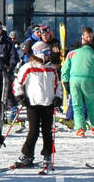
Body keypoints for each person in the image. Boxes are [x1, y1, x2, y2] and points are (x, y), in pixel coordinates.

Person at [10, 41, 61, 169]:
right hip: (33, 104)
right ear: (39, 53)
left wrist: (58, 98)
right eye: (46, 53)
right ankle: (27, 155)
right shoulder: (28, 67)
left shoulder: (51, 68)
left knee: (47, 132)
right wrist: (20, 96)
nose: (49, 55)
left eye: (49, 52)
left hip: (48, 104)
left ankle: (47, 154)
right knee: (33, 131)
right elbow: (17, 83)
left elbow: (57, 85)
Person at [61, 27, 94, 136]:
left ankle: (80, 129)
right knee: (90, 104)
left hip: (74, 80)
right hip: (88, 80)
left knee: (77, 105)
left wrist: (66, 82)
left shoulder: (71, 53)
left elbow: (64, 68)